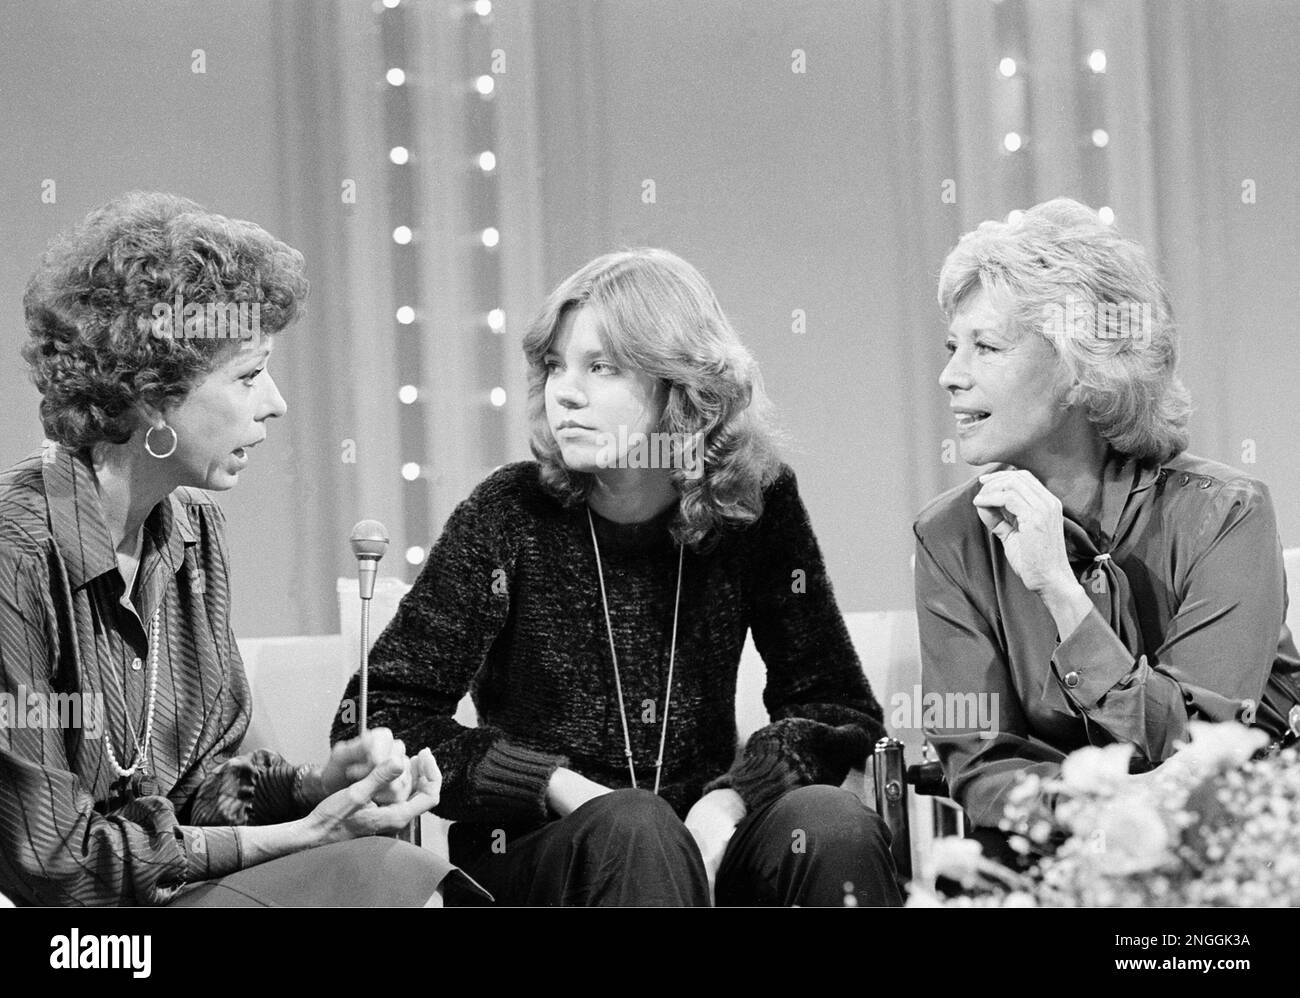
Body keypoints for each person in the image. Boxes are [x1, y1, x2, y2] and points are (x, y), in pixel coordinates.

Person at [333, 248, 902, 906]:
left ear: (681, 386)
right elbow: (375, 718)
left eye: (600, 368)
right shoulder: (508, 513)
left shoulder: (754, 506)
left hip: (699, 837)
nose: (564, 392)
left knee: (830, 824)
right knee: (634, 826)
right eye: (555, 365)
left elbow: (836, 709)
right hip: (540, 853)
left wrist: (732, 800)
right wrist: (550, 782)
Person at [0, 192, 465, 906]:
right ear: (153, 394)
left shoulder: (193, 532)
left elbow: (201, 790)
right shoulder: (18, 557)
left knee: (393, 873)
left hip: (168, 897)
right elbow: (55, 861)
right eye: (248, 375)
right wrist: (301, 836)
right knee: (387, 878)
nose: (275, 402)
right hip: (78, 943)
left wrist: (317, 788)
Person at [914, 198, 1300, 853]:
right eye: (954, 347)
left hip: (1228, 845)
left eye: (987, 347)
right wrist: (1106, 820)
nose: (950, 376)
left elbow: (1196, 745)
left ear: (1078, 368)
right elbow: (979, 762)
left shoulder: (1227, 514)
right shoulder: (949, 537)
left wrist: (1060, 592)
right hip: (1058, 844)